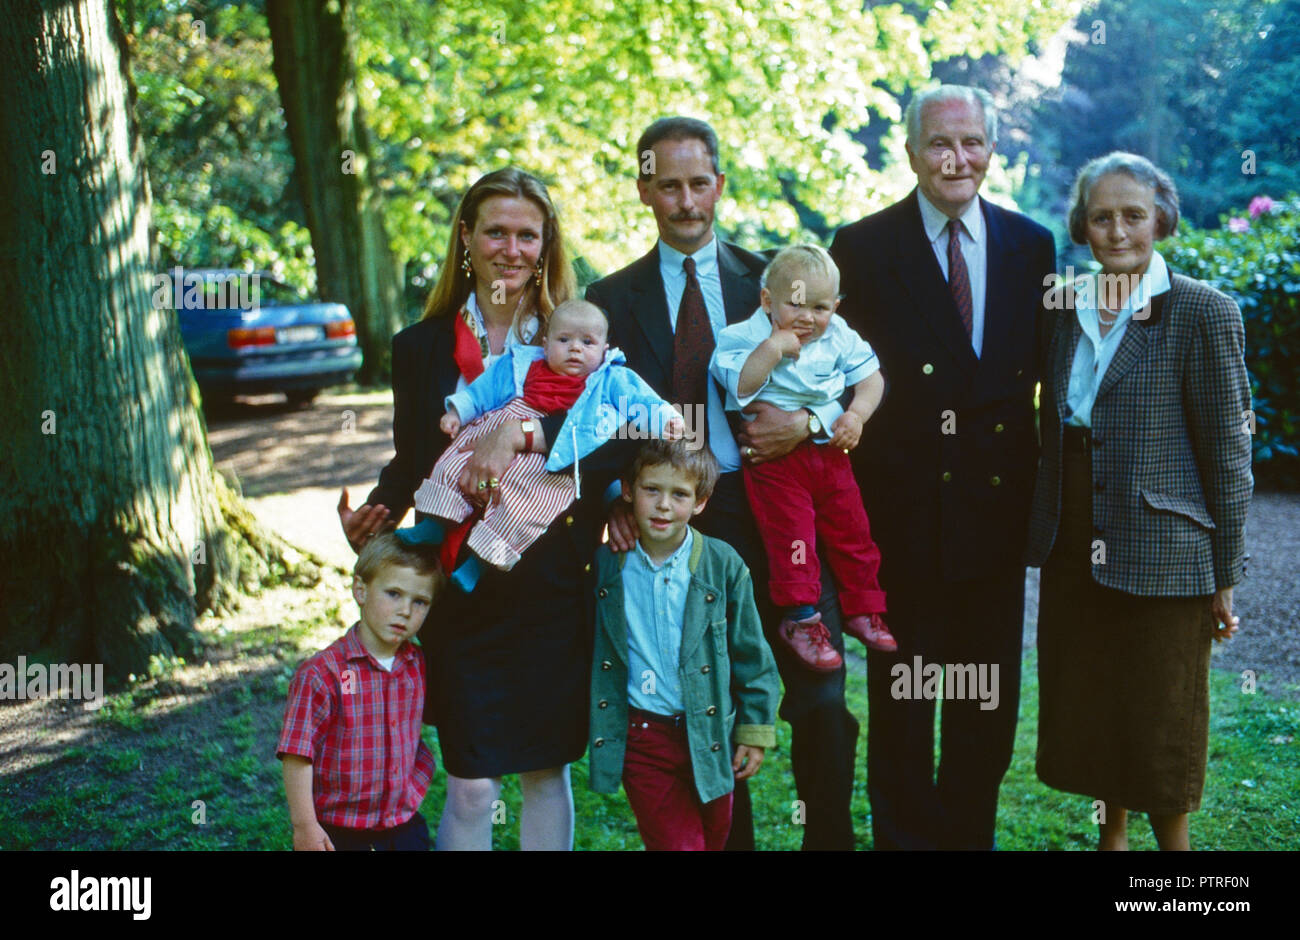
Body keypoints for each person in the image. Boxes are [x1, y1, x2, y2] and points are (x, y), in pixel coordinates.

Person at [586, 116, 863, 850]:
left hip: (778, 505)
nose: (686, 201)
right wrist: (618, 496)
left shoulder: (779, 280)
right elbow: (591, 413)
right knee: (697, 705)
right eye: (668, 184)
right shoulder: (608, 298)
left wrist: (808, 427)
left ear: (720, 184)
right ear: (644, 188)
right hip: (675, 521)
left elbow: (853, 372)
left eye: (698, 183)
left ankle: (826, 838)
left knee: (823, 698)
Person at [337, 168, 625, 850]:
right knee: (470, 782)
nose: (512, 248)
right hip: (458, 583)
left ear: (546, 244)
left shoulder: (577, 339)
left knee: (544, 772)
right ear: (466, 237)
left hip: (549, 579)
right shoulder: (420, 347)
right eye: (495, 231)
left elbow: (613, 448)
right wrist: (377, 512)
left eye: (528, 234)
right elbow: (414, 458)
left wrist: (525, 434)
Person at [829, 85, 1056, 850]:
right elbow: (836, 379)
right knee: (904, 697)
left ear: (992, 149)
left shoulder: (1033, 245)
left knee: (984, 703)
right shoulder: (860, 247)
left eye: (973, 143)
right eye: (940, 143)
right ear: (911, 153)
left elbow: (1049, 384)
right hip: (899, 518)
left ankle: (967, 840)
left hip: (994, 522)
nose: (958, 159)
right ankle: (902, 841)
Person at [1026, 152, 1252, 851]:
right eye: (1102, 216)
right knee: (1094, 695)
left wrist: (1225, 574)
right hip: (1076, 538)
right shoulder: (1061, 307)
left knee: (1162, 709)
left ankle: (1174, 862)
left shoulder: (1202, 311)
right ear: (1082, 225)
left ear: (1161, 217)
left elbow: (1228, 450)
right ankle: (1111, 838)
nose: (1117, 230)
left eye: (1133, 214)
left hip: (1166, 549)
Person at [710, 244, 896, 669]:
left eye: (820, 307)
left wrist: (856, 415)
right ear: (767, 300)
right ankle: (801, 619)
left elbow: (871, 379)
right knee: (793, 539)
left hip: (829, 452)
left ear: (835, 306)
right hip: (775, 464)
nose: (808, 317)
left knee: (853, 528)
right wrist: (772, 348)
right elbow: (739, 387)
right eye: (795, 304)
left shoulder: (838, 334)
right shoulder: (743, 336)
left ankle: (864, 607)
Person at [588, 440, 779, 850]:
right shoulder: (607, 564)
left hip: (709, 732)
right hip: (644, 736)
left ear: (701, 502)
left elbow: (751, 652)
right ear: (627, 490)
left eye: (679, 494)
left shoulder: (722, 563)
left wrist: (755, 729)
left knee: (713, 839)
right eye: (651, 489)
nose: (662, 505)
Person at [410, 299, 682, 586]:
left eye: (587, 342)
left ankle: (480, 563)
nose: (575, 348)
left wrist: (665, 420)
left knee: (527, 506)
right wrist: (458, 411)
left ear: (605, 350)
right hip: (498, 428)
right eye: (564, 339)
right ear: (546, 342)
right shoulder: (522, 364)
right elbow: (483, 391)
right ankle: (435, 523)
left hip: (552, 453)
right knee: (454, 460)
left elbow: (641, 402)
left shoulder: (612, 379)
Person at [277, 533, 446, 851]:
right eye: (393, 594)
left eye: (419, 601)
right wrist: (305, 827)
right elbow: (297, 753)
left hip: (402, 823)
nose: (405, 611)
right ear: (361, 590)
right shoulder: (321, 674)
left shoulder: (417, 664)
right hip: (340, 830)